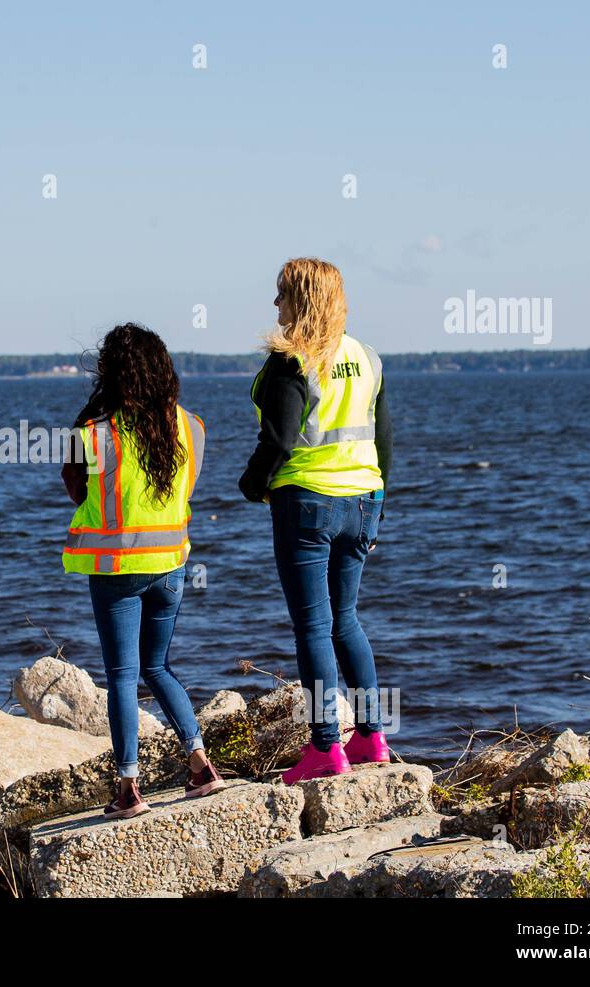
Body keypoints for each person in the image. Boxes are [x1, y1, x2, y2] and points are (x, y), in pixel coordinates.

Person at [238, 258, 393, 785]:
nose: (275, 305)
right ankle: (371, 736)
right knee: (345, 619)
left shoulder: (290, 362)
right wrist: (378, 503)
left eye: (281, 295)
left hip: (307, 502)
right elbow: (384, 439)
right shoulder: (366, 357)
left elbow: (279, 439)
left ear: (300, 300)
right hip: (363, 498)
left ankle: (326, 747)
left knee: (312, 626)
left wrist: (251, 484)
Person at [61, 323, 224, 818]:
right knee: (157, 666)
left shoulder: (93, 432)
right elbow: (188, 486)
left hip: (117, 570)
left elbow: (76, 491)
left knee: (123, 675)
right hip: (171, 565)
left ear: (110, 373)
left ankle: (129, 788)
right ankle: (201, 766)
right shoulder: (189, 425)